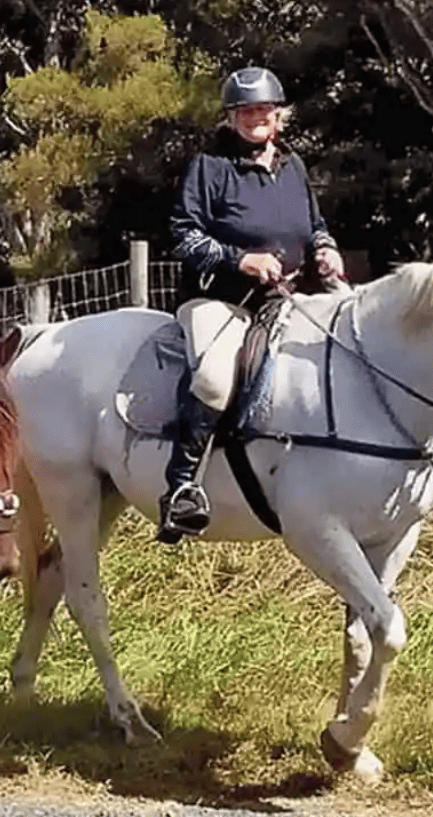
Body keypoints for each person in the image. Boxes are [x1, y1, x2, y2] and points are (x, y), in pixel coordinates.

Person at [160, 66, 346, 544]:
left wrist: (325, 249)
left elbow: (315, 224)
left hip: (288, 298)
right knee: (215, 379)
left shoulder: (293, 166)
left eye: (263, 110)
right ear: (231, 118)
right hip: (220, 299)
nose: (255, 119)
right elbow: (183, 236)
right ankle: (181, 487)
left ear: (279, 116)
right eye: (245, 112)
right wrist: (240, 259)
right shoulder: (209, 165)